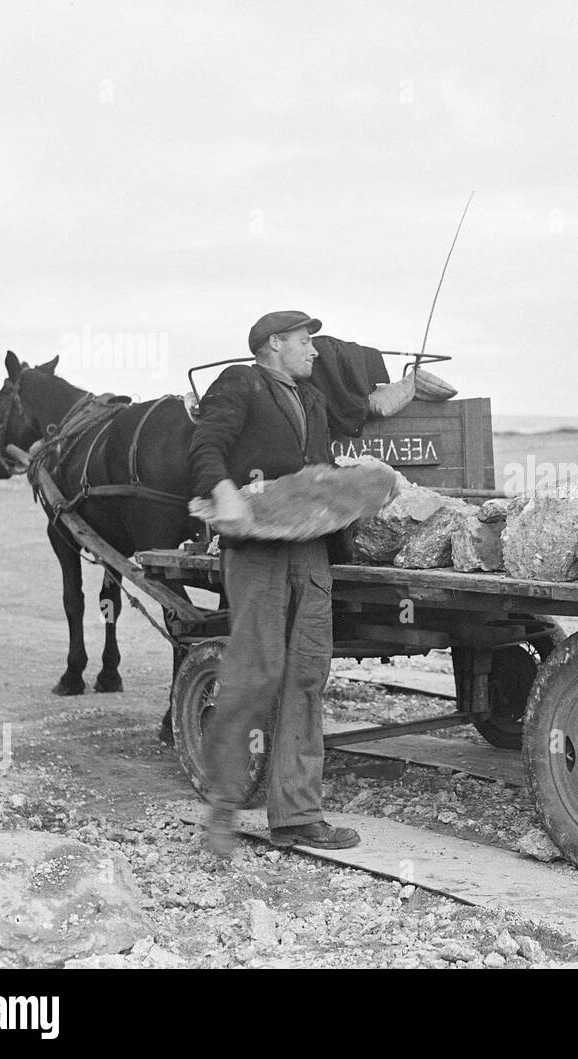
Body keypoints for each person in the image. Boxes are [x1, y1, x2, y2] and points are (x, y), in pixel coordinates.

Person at [188, 309, 359, 858]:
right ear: (273, 344)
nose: (314, 351)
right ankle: (221, 807)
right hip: (258, 553)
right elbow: (206, 446)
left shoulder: (312, 400)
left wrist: (365, 487)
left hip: (309, 552)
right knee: (253, 675)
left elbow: (321, 469)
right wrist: (224, 490)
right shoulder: (241, 383)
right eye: (306, 342)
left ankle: (298, 816)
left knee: (307, 676)